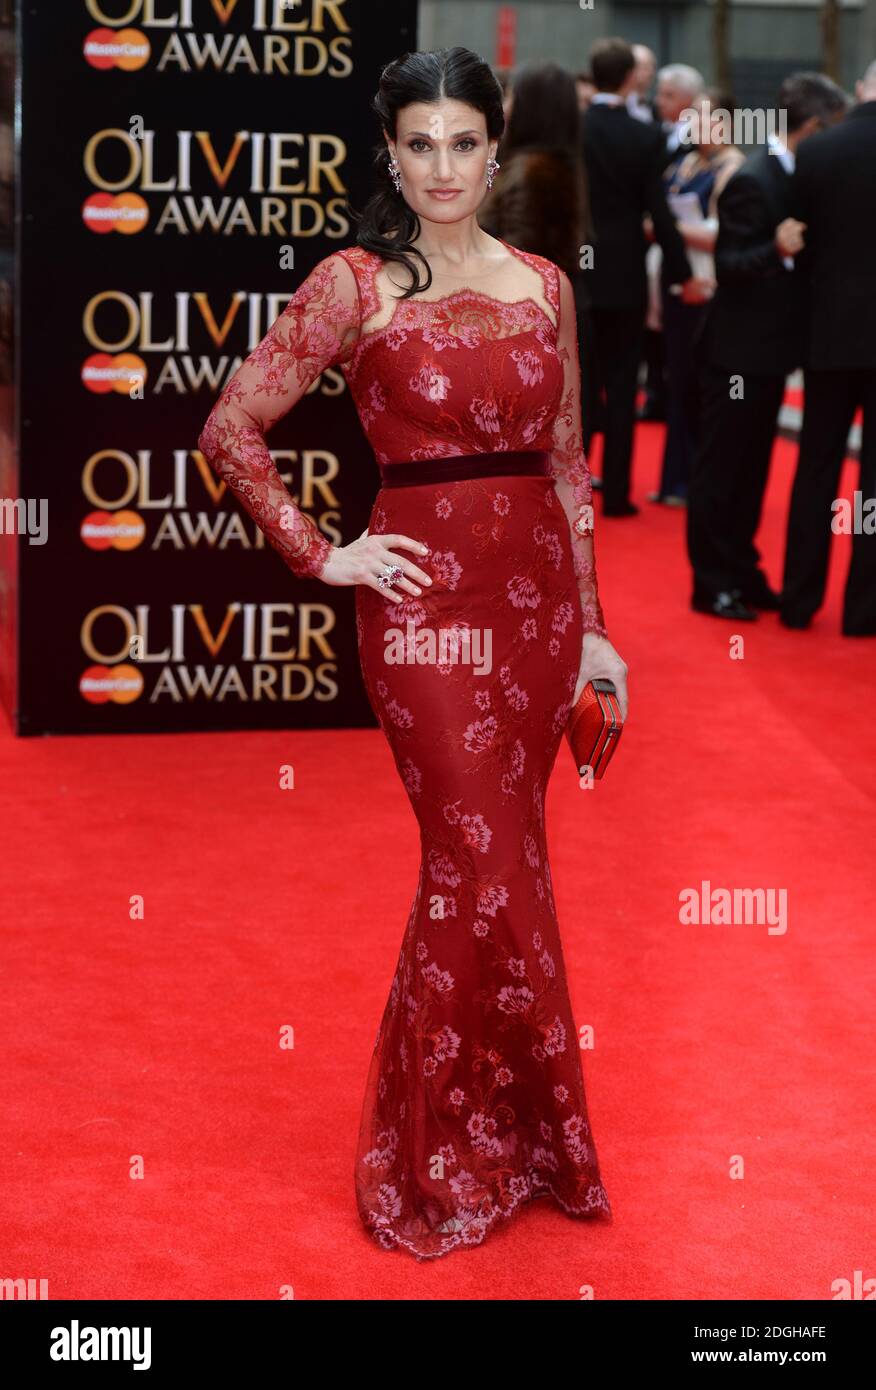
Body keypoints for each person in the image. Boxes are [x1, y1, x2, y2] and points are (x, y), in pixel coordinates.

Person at [198, 45, 628, 1260]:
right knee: (472, 864)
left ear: (496, 150)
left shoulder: (544, 282)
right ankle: (431, 1153)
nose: (443, 167)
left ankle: (527, 1136)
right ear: (388, 153)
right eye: (419, 143)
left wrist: (594, 628)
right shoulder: (355, 284)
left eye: (464, 142)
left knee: (515, 868)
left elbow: (566, 467)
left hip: (538, 608)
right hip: (424, 612)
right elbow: (232, 427)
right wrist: (319, 551)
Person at [688, 73, 848, 621]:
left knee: (752, 472)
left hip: (770, 353)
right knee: (722, 472)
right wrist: (775, 252)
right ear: (812, 127)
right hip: (735, 353)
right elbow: (728, 269)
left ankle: (742, 569)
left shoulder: (794, 173)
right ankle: (711, 584)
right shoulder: (754, 178)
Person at [581, 37, 703, 516]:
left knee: (581, 382)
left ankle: (575, 486)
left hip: (582, 266)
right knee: (624, 380)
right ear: (631, 77)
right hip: (628, 271)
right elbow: (660, 211)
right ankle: (616, 496)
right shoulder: (645, 136)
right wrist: (683, 273)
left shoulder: (577, 127)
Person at [781, 60, 876, 635]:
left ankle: (799, 598)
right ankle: (865, 611)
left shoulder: (817, 153)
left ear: (863, 88)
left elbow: (802, 253)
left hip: (828, 334)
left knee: (815, 468)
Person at [479, 61, 599, 477]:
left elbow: (522, 259)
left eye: (513, 97)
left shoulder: (534, 171)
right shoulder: (553, 164)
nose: (505, 104)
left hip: (527, 327)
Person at [652, 90, 744, 506]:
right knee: (678, 380)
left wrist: (670, 228)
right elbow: (652, 218)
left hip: (709, 285)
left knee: (704, 386)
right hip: (673, 280)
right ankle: (675, 479)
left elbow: (725, 236)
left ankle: (702, 481)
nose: (695, 127)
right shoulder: (685, 162)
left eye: (704, 119)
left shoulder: (733, 167)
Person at [655, 63, 704, 166]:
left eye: (669, 96)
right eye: (659, 94)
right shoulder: (654, 125)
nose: (660, 101)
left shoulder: (700, 135)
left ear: (690, 98)